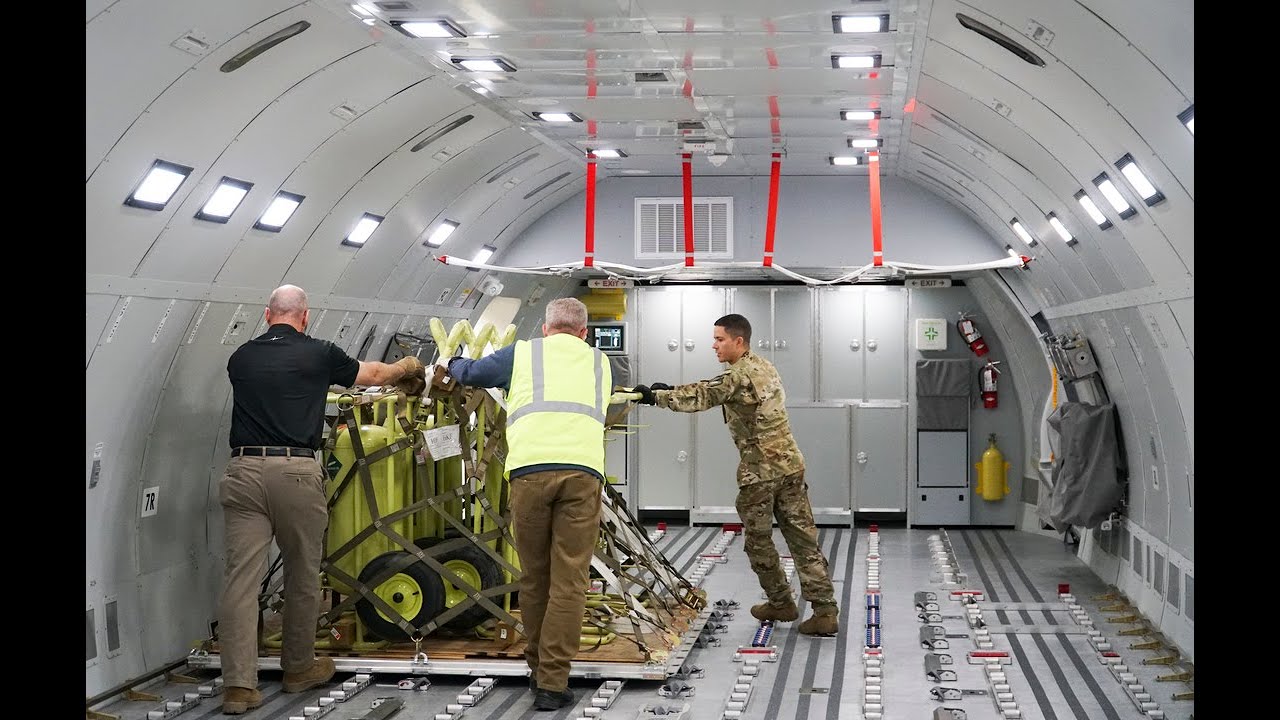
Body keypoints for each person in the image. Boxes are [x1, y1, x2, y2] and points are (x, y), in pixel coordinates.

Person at [218, 284, 426, 714]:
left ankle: (239, 687)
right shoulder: (318, 353)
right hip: (295, 470)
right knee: (303, 573)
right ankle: (298, 669)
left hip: (241, 472)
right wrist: (406, 364)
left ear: (266, 314)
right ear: (305, 316)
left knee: (241, 581)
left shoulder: (240, 358)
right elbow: (372, 377)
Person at [445, 297, 611, 711]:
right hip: (582, 474)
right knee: (569, 579)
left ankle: (537, 670)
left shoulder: (522, 354)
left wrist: (452, 362)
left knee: (535, 577)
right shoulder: (601, 363)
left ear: (544, 328)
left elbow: (472, 373)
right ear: (584, 332)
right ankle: (554, 682)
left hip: (529, 473)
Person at [633, 313, 840, 636]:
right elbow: (711, 387)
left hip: (760, 472)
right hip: (791, 465)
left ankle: (781, 601)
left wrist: (655, 397)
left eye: (720, 339)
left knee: (758, 542)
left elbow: (704, 395)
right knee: (803, 538)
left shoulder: (737, 375)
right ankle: (825, 611)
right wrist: (672, 388)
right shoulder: (763, 366)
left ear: (738, 341)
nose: (713, 345)